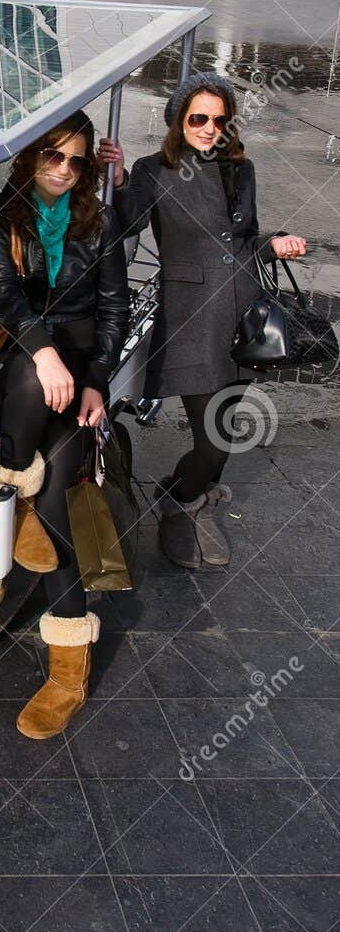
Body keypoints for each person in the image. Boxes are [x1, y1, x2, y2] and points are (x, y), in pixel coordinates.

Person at [100, 71, 306, 569]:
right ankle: (180, 500)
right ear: (178, 119)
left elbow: (245, 239)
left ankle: (187, 503)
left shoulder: (242, 168)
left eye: (219, 119)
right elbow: (124, 225)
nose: (210, 128)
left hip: (241, 313)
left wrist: (273, 243)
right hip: (192, 319)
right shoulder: (154, 170)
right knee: (214, 440)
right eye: (199, 118)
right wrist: (122, 179)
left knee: (226, 429)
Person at [0, 110, 130, 740]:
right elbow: (3, 294)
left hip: (78, 377)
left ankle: (68, 673)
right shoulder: (4, 213)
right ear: (31, 156)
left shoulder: (99, 222)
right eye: (53, 155)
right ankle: (17, 495)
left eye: (76, 160)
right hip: (21, 368)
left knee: (57, 517)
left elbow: (114, 309)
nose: (64, 170)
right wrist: (43, 352)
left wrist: (96, 378)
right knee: (24, 374)